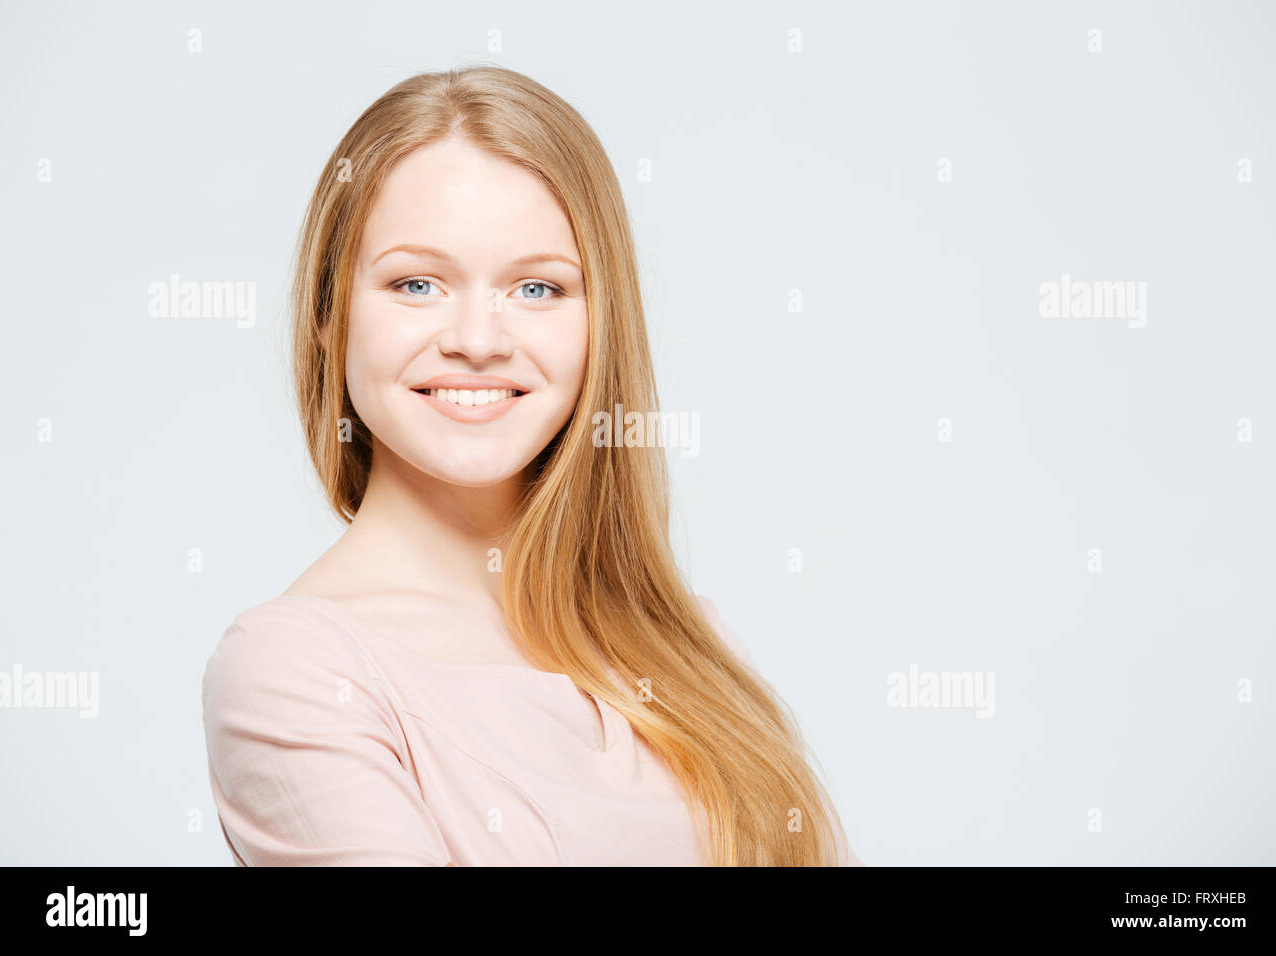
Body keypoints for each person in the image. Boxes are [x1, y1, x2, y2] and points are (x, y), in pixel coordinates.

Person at [201, 65, 861, 866]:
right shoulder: (294, 671)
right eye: (417, 283)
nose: (478, 340)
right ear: (327, 319)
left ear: (599, 325)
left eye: (538, 289)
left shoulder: (691, 645)